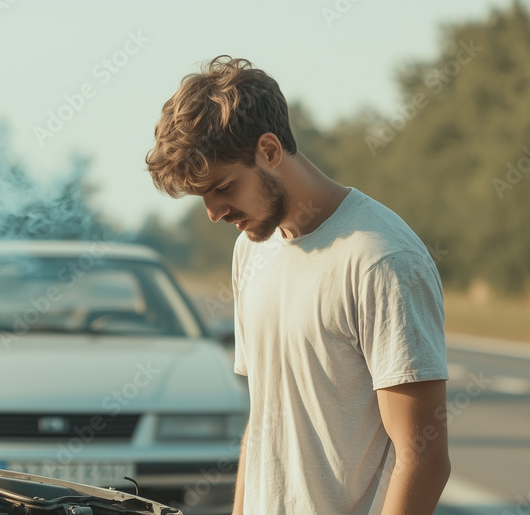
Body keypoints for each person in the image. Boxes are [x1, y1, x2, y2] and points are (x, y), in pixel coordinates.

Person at [145, 56, 450, 515]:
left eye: (224, 187)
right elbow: (263, 424)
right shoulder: (251, 250)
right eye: (202, 196)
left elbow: (423, 459)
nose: (213, 212)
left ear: (269, 150)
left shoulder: (380, 260)